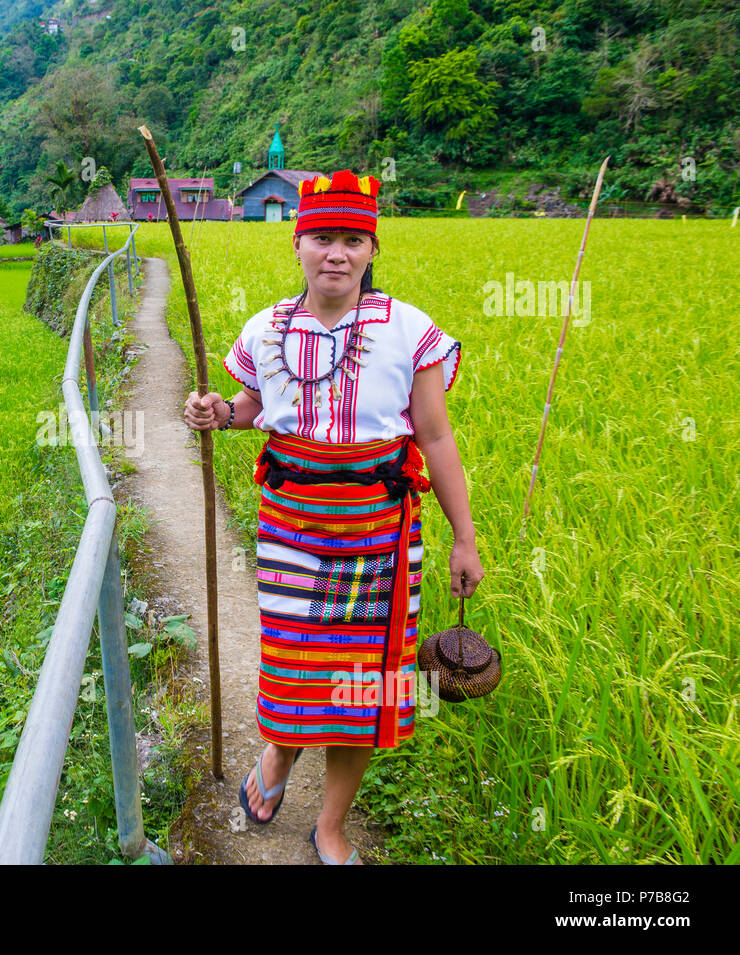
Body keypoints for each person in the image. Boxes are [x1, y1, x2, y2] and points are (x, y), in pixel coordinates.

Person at [183, 169, 484, 865]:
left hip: (381, 533)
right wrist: (215, 413)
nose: (337, 254)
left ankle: (331, 825)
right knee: (296, 668)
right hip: (293, 529)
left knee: (361, 682)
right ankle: (278, 760)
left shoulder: (411, 330)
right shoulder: (267, 329)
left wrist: (463, 539)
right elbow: (248, 410)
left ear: (371, 247)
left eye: (352, 239)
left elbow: (435, 439)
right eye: (323, 237)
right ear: (298, 243)